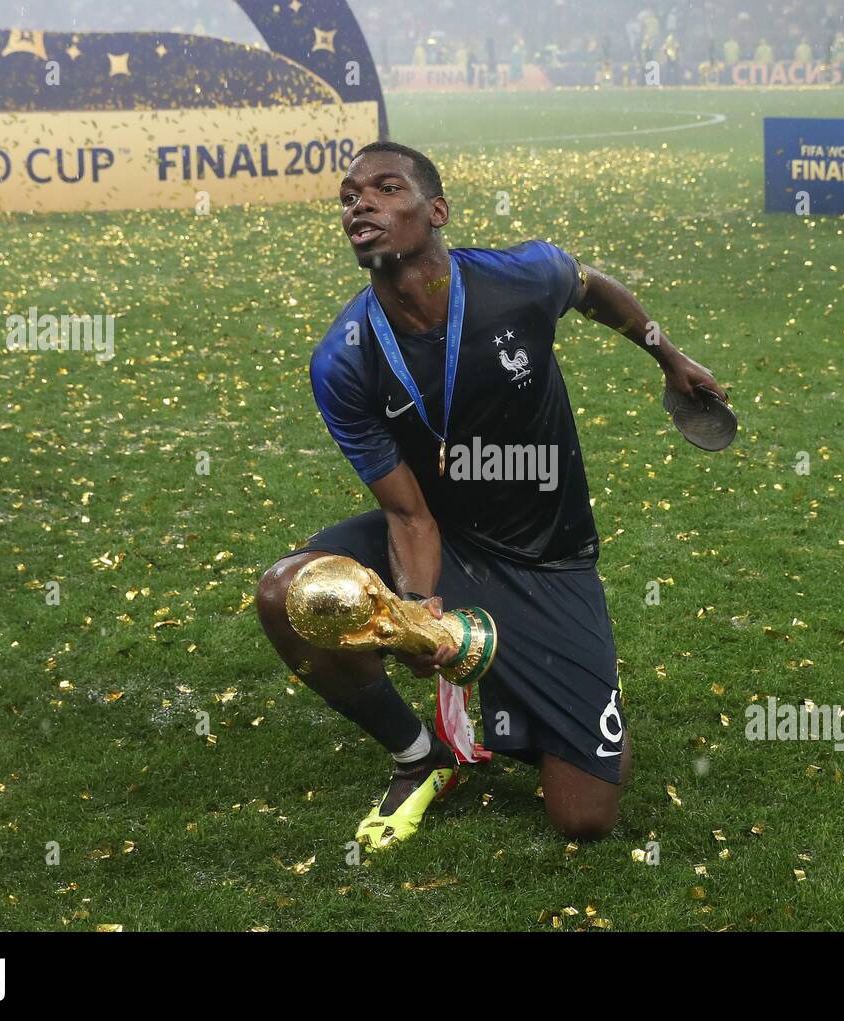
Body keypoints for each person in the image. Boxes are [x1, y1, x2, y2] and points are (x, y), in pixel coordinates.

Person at [256, 143, 725, 848]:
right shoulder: (345, 358)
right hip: (445, 536)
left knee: (584, 817)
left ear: (436, 211)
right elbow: (408, 511)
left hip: (549, 559)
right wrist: (415, 610)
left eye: (385, 188)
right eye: (349, 196)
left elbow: (593, 289)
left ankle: (553, 697)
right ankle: (421, 755)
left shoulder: (524, 275)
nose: (360, 203)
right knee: (288, 593)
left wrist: (668, 355)